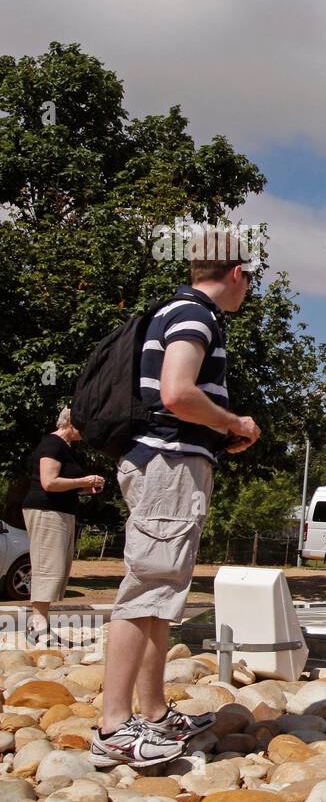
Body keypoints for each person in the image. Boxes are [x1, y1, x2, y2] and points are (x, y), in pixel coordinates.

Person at [90, 230, 262, 769]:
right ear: (236, 272)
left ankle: (153, 711)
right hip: (167, 465)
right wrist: (233, 422)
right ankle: (114, 726)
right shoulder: (196, 315)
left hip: (166, 460)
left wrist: (215, 434)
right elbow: (176, 392)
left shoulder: (173, 310)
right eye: (249, 276)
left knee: (161, 592)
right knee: (147, 589)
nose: (249, 286)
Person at [20, 407, 105, 646]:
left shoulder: (65, 448)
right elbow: (48, 482)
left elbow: (63, 484)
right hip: (47, 511)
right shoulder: (52, 444)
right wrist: (84, 480)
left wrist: (85, 488)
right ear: (71, 423)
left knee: (57, 568)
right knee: (48, 566)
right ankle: (37, 626)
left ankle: (41, 623)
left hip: (61, 512)